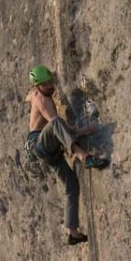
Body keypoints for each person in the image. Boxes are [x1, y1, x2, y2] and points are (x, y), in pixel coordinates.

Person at [25, 65, 110, 245]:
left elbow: (29, 96)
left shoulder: (35, 92)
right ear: (38, 86)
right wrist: (85, 130)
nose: (50, 86)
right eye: (46, 84)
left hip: (50, 152)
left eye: (51, 81)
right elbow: (58, 126)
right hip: (40, 144)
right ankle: (84, 156)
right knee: (56, 122)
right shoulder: (42, 100)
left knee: (71, 186)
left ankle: (73, 233)